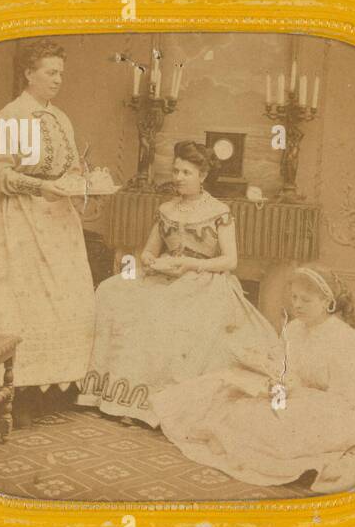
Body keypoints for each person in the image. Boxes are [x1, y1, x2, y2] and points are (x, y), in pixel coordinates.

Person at [76, 141, 277, 426]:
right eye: (176, 171)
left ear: (203, 175)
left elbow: (230, 261)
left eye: (187, 172)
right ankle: (107, 392)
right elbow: (148, 250)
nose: (179, 177)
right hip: (164, 275)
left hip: (204, 280)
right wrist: (151, 261)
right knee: (111, 290)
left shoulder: (219, 211)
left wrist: (191, 265)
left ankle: (151, 403)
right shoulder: (167, 208)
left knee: (159, 309)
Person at [0, 39, 94, 403]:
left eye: (61, 73)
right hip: (16, 221)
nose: (57, 80)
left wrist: (80, 181)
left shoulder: (61, 117)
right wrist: (44, 186)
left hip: (58, 223)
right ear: (28, 73)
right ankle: (12, 391)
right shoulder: (10, 116)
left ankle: (54, 390)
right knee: (15, 301)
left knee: (62, 299)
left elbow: (69, 167)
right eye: (50, 72)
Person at [152, 268, 355, 494]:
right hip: (302, 395)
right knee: (228, 394)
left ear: (327, 302)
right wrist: (272, 378)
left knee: (270, 426)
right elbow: (285, 367)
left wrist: (293, 393)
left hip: (344, 408)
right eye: (294, 298)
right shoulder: (294, 329)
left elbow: (343, 397)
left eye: (306, 300)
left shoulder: (344, 338)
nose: (298, 305)